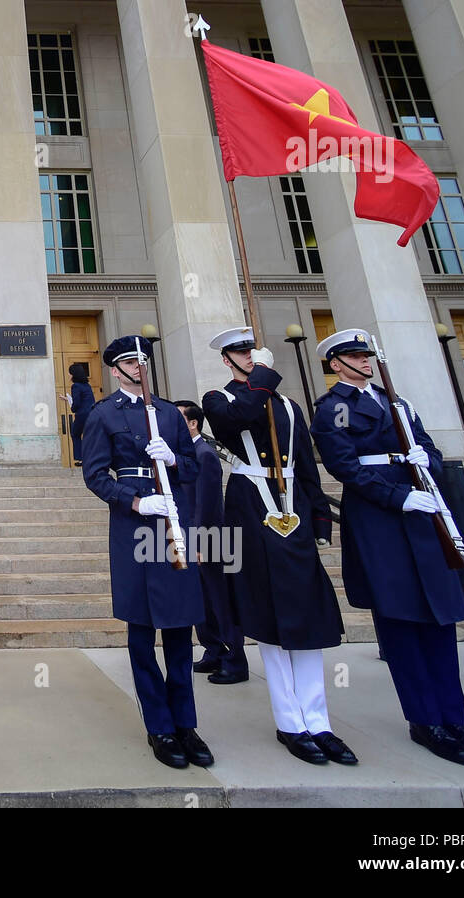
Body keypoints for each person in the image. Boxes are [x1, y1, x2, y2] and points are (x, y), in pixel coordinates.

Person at [310, 328, 464, 768]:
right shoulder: (334, 408)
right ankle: (424, 720)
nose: (365, 362)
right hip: (380, 519)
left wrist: (424, 461)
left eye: (367, 355)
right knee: (401, 622)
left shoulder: (398, 401)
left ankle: (455, 721)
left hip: (422, 515)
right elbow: (344, 467)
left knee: (437, 618)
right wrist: (398, 494)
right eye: (355, 357)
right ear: (336, 364)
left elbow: (429, 446)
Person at [202, 328, 356, 766]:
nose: (250, 356)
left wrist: (321, 518)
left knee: (306, 614)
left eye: (253, 350)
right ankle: (290, 722)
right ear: (227, 359)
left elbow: (305, 463)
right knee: (269, 613)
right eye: (241, 352)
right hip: (251, 506)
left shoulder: (288, 404)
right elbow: (241, 418)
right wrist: (265, 375)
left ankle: (319, 721)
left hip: (294, 508)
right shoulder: (219, 399)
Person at [80, 335, 211, 770]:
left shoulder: (171, 414)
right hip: (135, 521)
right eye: (129, 361)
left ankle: (186, 725)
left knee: (178, 628)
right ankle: (158, 725)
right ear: (115, 369)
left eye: (143, 360)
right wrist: (135, 501)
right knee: (141, 630)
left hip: (172, 518)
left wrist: (173, 459)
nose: (139, 366)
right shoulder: (103, 414)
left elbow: (193, 468)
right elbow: (95, 475)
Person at [174, 399, 248, 686]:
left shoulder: (204, 454)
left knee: (218, 600)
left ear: (193, 423)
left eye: (179, 418)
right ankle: (213, 650)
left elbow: (208, 502)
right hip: (187, 536)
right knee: (199, 599)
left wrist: (201, 541)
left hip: (208, 537)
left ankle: (235, 659)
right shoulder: (184, 453)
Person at [63, 361, 95, 466]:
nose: (69, 375)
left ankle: (80, 458)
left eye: (70, 373)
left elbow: (77, 403)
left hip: (82, 415)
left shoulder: (75, 386)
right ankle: (91, 457)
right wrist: (67, 399)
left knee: (75, 434)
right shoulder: (87, 385)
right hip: (91, 414)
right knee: (88, 436)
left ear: (73, 374)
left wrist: (72, 408)